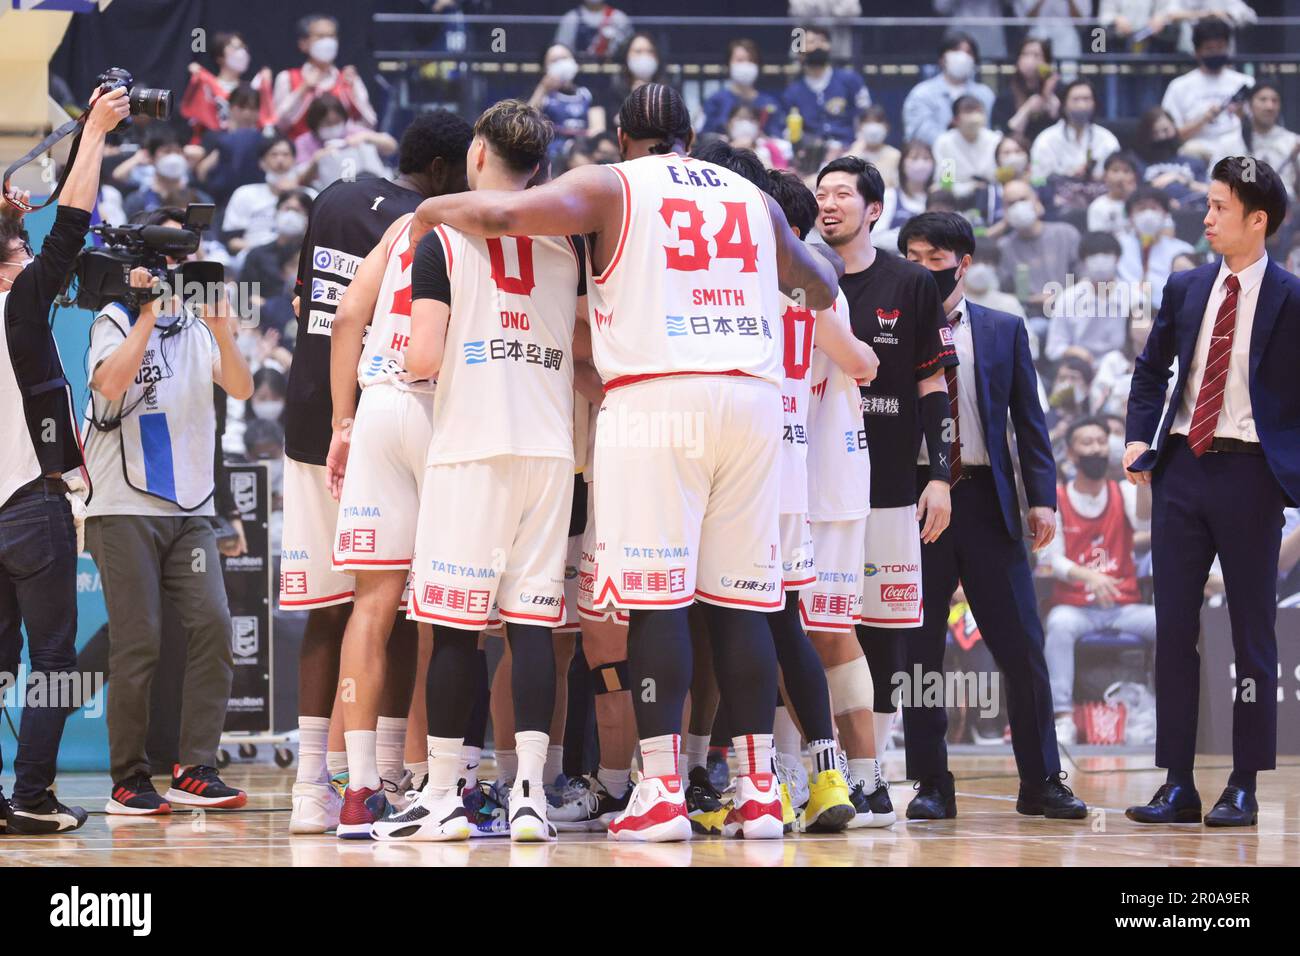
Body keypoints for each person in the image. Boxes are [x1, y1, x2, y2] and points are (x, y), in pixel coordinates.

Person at [410, 83, 839, 842]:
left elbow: (505, 213)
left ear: (620, 136)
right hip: (754, 402)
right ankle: (760, 794)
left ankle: (662, 792)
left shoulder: (612, 183)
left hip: (656, 398)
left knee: (659, 602)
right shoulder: (751, 195)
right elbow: (821, 283)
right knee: (745, 604)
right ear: (690, 135)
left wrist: (429, 211)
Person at [368, 99, 588, 843]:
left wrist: (400, 359)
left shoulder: (444, 238)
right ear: (540, 166)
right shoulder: (568, 243)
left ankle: (443, 799)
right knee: (531, 627)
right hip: (551, 449)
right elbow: (586, 351)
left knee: (456, 631)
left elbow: (424, 356)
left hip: (472, 446)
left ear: (478, 157)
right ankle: (527, 794)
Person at [281, 110, 472, 835]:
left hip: (316, 417)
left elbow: (314, 307)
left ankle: (314, 786)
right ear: (453, 169)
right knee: (399, 605)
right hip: (393, 413)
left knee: (337, 610)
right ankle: (394, 773)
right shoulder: (430, 220)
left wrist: (337, 419)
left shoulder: (330, 197)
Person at [1124, 156, 1298, 828]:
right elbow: (1150, 370)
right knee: (1174, 630)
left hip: (1254, 474)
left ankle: (1245, 783)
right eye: (1208, 203)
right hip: (1182, 470)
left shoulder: (1292, 296)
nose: (1206, 217)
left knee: (1253, 631)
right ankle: (1176, 782)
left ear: (1259, 220)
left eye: (1220, 206)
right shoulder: (1187, 286)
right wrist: (1140, 437)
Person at [894, 211, 1084, 820]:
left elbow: (1030, 420)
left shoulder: (1003, 328)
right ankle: (930, 783)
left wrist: (1043, 497)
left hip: (987, 498)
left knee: (1023, 646)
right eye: (913, 259)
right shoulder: (892, 328)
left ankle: (1042, 781)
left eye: (934, 259)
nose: (923, 271)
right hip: (919, 499)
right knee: (920, 651)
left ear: (963, 263)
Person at [83, 206, 254, 816]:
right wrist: (147, 316)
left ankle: (195, 766)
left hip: (191, 508)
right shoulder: (112, 317)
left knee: (212, 625)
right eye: (169, 264)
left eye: (186, 263)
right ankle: (129, 780)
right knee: (140, 641)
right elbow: (109, 384)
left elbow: (241, 387)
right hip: (122, 506)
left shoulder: (201, 329)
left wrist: (225, 329)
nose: (180, 274)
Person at [0, 86, 131, 834]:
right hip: (32, 505)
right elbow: (73, 223)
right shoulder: (19, 304)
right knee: (51, 660)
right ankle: (33, 796)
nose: (33, 256)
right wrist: (97, 133)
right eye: (22, 247)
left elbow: (52, 235)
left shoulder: (15, 294)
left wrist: (12, 216)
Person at [815, 157, 956, 823]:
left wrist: (939, 475)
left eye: (843, 192)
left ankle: (872, 777)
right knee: (814, 626)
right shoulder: (799, 276)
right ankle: (819, 773)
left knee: (880, 635)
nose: (829, 202)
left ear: (874, 208)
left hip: (893, 487)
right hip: (812, 483)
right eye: (821, 193)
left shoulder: (910, 282)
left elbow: (933, 386)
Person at [1044, 417, 1155, 743]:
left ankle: (1159, 706)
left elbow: (1145, 516)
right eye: (1087, 443)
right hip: (1077, 607)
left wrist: (1143, 477)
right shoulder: (1057, 497)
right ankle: (1063, 716)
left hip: (1123, 607)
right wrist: (1088, 576)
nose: (1095, 448)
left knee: (1170, 623)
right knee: (1058, 625)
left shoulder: (1122, 491)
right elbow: (1051, 557)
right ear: (1072, 453)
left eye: (1100, 442)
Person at [1160, 17, 1253, 167]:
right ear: (1197, 52)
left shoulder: (1245, 82)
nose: (1216, 53)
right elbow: (1170, 138)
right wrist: (1203, 119)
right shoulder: (1179, 86)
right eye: (1210, 49)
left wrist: (1242, 115)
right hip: (1198, 152)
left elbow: (1261, 129)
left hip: (1238, 152)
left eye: (1221, 47)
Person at [273, 13, 377, 139]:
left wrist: (354, 93)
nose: (327, 42)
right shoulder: (287, 78)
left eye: (332, 36)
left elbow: (371, 123)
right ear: (303, 44)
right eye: (320, 37)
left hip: (341, 153)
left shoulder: (349, 79)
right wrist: (302, 89)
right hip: (300, 154)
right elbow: (278, 124)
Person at [997, 178, 1081, 322]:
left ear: (1036, 201)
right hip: (1030, 318)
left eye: (1023, 199)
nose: (1018, 206)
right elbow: (999, 294)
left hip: (1071, 311)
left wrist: (1064, 297)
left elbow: (1084, 276)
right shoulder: (1003, 247)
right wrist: (1034, 299)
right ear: (1005, 211)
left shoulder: (1066, 233)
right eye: (1011, 203)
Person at [1044, 230, 1129, 362]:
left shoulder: (1134, 297)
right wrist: (1074, 352)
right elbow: (1054, 348)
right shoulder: (1068, 298)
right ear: (1084, 261)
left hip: (1121, 368)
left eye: (1106, 254)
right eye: (1093, 255)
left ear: (1117, 258)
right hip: (1080, 368)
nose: (1100, 261)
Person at [782, 25, 870, 148]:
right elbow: (790, 130)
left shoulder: (851, 80)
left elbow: (865, 114)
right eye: (811, 42)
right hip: (812, 153)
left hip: (849, 149)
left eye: (823, 41)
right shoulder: (792, 92)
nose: (818, 46)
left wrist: (858, 146)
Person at [901, 33, 995, 148]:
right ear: (942, 59)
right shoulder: (922, 93)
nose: (962, 56)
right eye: (956, 50)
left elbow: (990, 131)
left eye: (968, 52)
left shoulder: (985, 94)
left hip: (977, 159)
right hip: (936, 161)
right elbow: (918, 132)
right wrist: (953, 148)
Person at [181, 30, 273, 144]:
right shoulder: (206, 87)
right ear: (220, 56)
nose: (241, 52)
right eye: (235, 48)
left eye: (243, 48)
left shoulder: (253, 88)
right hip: (214, 143)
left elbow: (265, 122)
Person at [293, 94, 396, 192]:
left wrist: (366, 137)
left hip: (369, 187)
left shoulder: (353, 132)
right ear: (315, 123)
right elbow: (301, 179)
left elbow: (392, 146)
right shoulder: (303, 142)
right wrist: (316, 161)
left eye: (337, 121)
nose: (333, 125)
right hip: (327, 192)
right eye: (327, 122)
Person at [220, 136, 300, 257]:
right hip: (252, 257)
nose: (280, 160)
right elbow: (232, 241)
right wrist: (263, 252)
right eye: (274, 154)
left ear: (294, 161)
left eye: (286, 154)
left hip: (296, 258)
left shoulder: (309, 195)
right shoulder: (245, 194)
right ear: (262, 163)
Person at [1117, 187, 1194, 311]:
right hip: (1127, 316)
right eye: (1141, 208)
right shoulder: (1117, 247)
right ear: (1130, 216)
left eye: (1154, 208)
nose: (1148, 215)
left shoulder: (1183, 250)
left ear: (1165, 214)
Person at [1030, 79, 1120, 182]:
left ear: (1094, 103)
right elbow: (1038, 179)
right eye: (1076, 99)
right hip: (1057, 195)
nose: (1082, 104)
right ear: (1063, 104)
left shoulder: (1107, 139)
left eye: (1086, 99)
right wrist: (1070, 175)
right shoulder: (1046, 139)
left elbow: (1116, 175)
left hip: (1098, 194)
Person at [529, 44, 604, 164]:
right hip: (552, 153)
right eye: (554, 61)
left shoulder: (588, 94)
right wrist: (542, 89)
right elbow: (527, 122)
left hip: (583, 149)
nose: (561, 64)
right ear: (545, 67)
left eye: (564, 58)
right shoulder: (542, 95)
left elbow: (598, 129)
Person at [701, 38, 782, 138]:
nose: (746, 65)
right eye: (740, 60)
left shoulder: (769, 103)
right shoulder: (716, 101)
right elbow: (704, 136)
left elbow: (778, 136)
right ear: (728, 65)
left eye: (751, 60)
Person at [932, 95, 1001, 203]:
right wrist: (969, 187)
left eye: (978, 111)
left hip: (991, 197)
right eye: (968, 112)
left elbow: (1000, 177)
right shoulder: (946, 143)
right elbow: (946, 183)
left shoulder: (995, 140)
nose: (974, 117)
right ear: (955, 119)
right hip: (956, 199)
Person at [992, 36, 1060, 143]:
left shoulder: (1058, 90)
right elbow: (1004, 133)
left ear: (1047, 62)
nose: (1030, 61)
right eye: (1025, 54)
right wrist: (1027, 108)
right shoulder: (1006, 96)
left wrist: (1048, 95)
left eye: (1037, 55)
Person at [1244, 83, 1300, 199]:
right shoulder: (1230, 142)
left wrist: (1295, 161)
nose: (1270, 106)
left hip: (1287, 207)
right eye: (1263, 100)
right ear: (1249, 104)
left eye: (1275, 101)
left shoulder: (1293, 141)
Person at [554, 0, 634, 61]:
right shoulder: (571, 18)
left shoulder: (619, 18)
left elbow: (629, 51)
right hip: (579, 73)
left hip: (613, 74)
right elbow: (561, 51)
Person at [845, 106, 899, 187]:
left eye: (877, 122)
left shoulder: (896, 156)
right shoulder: (850, 157)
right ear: (860, 127)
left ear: (887, 127)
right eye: (868, 122)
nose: (873, 127)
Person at [1087, 151, 1139, 234]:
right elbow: (1098, 240)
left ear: (1135, 177)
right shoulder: (1098, 207)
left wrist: (1133, 199)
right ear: (1105, 176)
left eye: (1126, 171)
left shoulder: (1141, 204)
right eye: (1115, 170)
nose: (1120, 177)